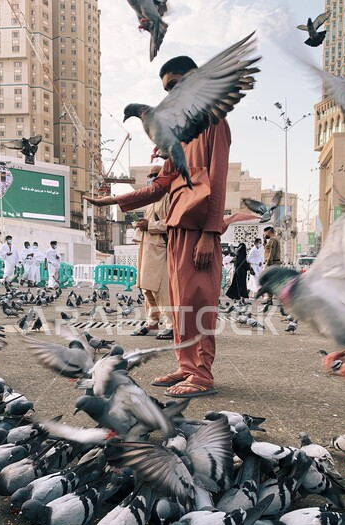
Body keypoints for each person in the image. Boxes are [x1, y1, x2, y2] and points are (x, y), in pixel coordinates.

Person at [84, 55, 231, 398]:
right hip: (177, 229)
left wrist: (210, 234)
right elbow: (159, 186)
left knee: (197, 303)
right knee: (179, 304)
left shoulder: (214, 121)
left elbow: (219, 181)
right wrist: (114, 201)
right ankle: (186, 367)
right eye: (167, 89)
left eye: (179, 84)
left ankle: (202, 375)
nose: (173, 93)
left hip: (198, 231)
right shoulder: (177, 134)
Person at [131, 170, 173, 340]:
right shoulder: (151, 200)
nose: (151, 178)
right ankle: (152, 322)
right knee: (146, 287)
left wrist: (150, 225)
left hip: (160, 249)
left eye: (155, 174)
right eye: (149, 175)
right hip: (146, 248)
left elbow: (174, 222)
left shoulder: (169, 197)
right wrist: (140, 226)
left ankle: (172, 325)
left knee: (160, 288)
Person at [263, 226, 281, 304]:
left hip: (272, 263)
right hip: (275, 263)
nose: (264, 234)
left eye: (265, 232)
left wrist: (268, 264)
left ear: (269, 232)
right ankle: (269, 299)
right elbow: (267, 249)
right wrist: (264, 241)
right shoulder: (274, 239)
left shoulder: (273, 240)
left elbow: (271, 253)